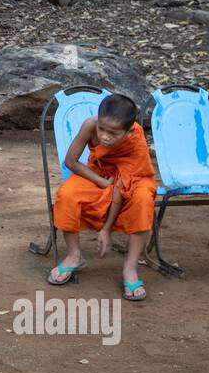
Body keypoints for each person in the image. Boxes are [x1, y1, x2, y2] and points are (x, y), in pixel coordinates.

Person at [47, 93, 155, 302]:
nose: (105, 136)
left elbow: (124, 184)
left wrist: (106, 229)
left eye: (113, 133)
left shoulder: (135, 137)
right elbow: (71, 162)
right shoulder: (90, 126)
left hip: (131, 179)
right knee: (67, 194)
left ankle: (130, 268)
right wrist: (100, 181)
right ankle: (74, 255)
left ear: (128, 130)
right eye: (102, 129)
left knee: (143, 199)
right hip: (98, 174)